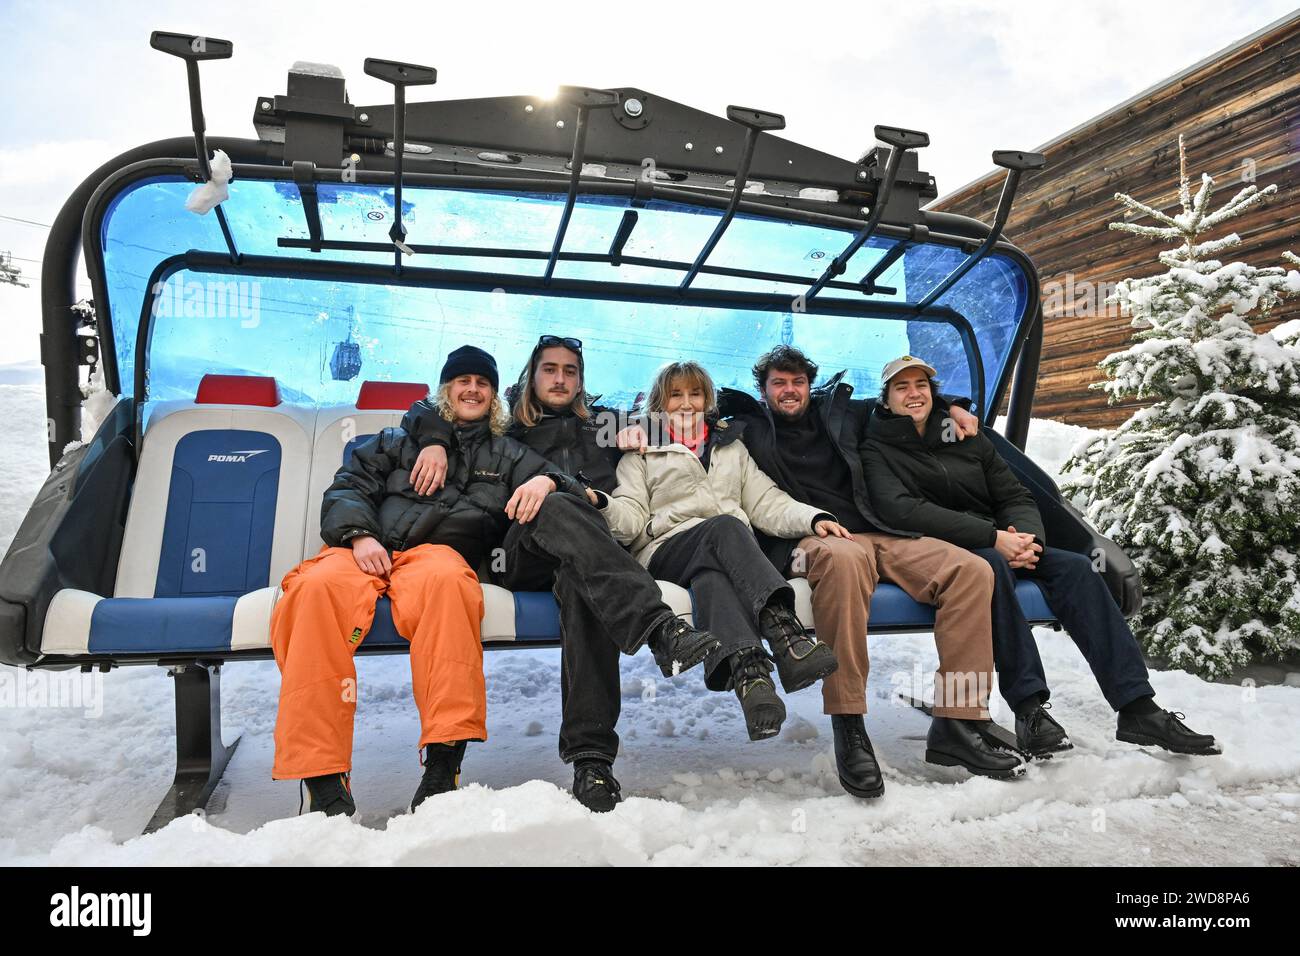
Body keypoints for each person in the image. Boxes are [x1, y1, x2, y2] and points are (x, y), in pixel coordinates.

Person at [401, 335, 719, 812]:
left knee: (582, 583)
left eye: (570, 371)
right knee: (552, 503)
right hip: (524, 550)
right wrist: (433, 440)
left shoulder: (603, 424)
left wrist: (643, 430)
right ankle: (658, 629)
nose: (560, 379)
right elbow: (428, 410)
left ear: (581, 379)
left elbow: (693, 416)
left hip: (593, 556)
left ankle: (592, 761)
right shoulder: (508, 424)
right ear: (532, 375)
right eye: (550, 369)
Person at [271, 345, 588, 818]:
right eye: (463, 382)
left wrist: (547, 483)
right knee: (314, 592)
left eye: (482, 383)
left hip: (436, 556)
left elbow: (562, 480)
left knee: (450, 587)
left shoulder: (505, 453)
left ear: (494, 396)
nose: (473, 390)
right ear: (446, 390)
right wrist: (359, 535)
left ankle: (444, 761)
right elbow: (347, 486)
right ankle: (322, 774)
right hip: (363, 548)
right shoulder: (397, 441)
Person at [862, 354, 1221, 757]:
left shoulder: (966, 435)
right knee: (990, 565)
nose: (914, 394)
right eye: (902, 387)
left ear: (933, 391)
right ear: (887, 398)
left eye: (921, 385)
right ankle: (1030, 708)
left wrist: (1025, 539)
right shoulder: (877, 445)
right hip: (943, 547)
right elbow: (902, 509)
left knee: (1078, 569)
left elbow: (1014, 493)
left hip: (1001, 540)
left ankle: (1138, 707)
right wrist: (992, 537)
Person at [714, 345, 1023, 793]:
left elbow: (906, 399)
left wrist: (955, 406)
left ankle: (957, 721)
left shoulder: (840, 413)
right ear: (763, 390)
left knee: (971, 570)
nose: (789, 390)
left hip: (879, 530)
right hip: (813, 536)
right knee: (845, 560)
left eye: (797, 381)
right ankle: (849, 722)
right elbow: (687, 412)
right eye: (779, 382)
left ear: (809, 385)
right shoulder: (746, 428)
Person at [595, 360, 855, 742]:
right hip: (667, 550)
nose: (686, 403)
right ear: (660, 404)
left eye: (695, 394)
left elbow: (766, 501)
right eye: (676, 395)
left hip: (723, 554)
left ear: (707, 400)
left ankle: (753, 682)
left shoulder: (731, 448)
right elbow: (631, 519)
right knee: (726, 526)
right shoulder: (641, 452)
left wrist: (813, 519)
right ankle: (785, 633)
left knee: (713, 577)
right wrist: (601, 503)